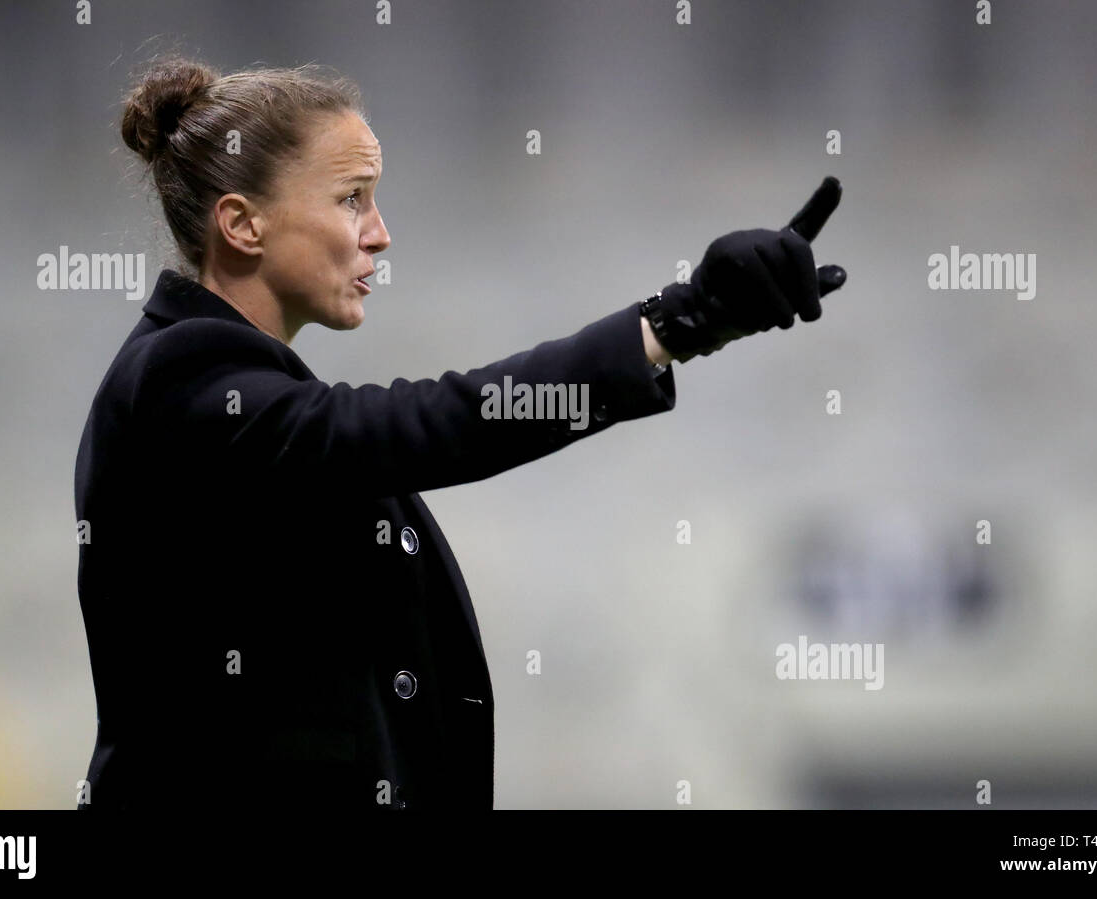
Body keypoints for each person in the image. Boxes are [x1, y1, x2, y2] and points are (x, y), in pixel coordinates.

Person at [74, 57, 846, 810]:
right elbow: (444, 421)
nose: (379, 234)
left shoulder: (241, 389)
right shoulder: (181, 375)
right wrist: (677, 321)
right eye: (351, 199)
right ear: (242, 224)